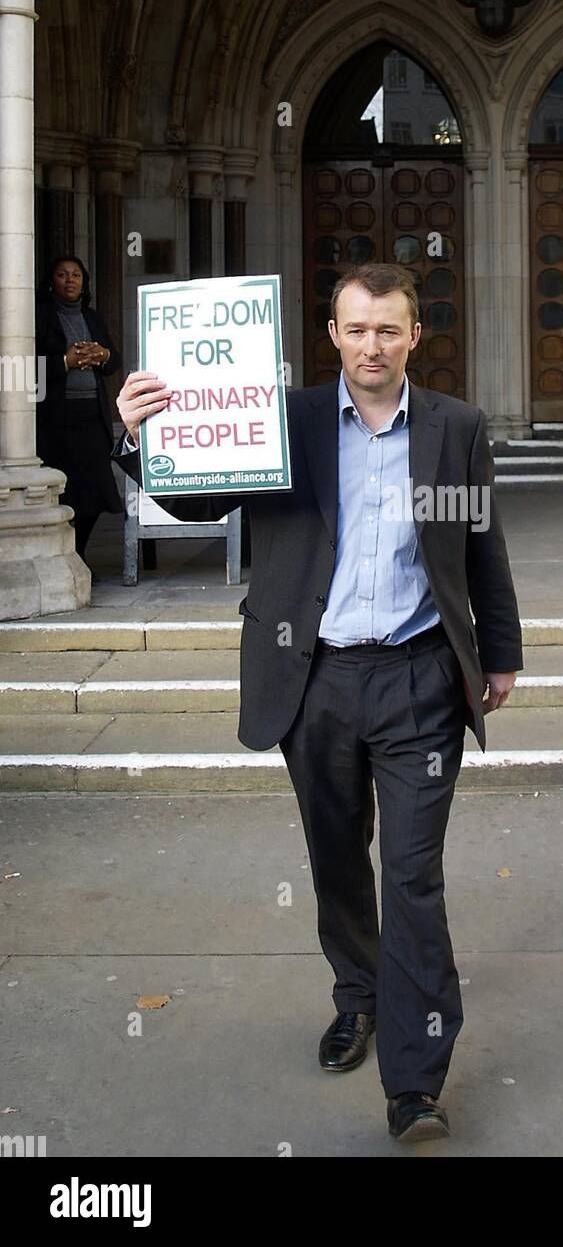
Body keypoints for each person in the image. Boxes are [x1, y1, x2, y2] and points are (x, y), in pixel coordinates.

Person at [112, 262, 523, 1143]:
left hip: (419, 679)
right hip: (315, 675)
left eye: (389, 329)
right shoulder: (286, 421)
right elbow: (195, 500)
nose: (371, 345)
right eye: (355, 328)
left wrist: (502, 653)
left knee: (413, 876)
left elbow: (479, 544)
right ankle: (359, 996)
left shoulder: (455, 427)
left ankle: (415, 1082)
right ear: (330, 334)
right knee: (339, 859)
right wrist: (139, 436)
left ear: (416, 335)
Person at [35, 256, 123, 566]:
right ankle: (67, 557)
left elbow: (114, 362)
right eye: (62, 275)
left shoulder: (93, 318)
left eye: (75, 275)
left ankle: (79, 553)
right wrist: (64, 362)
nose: (70, 280)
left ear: (84, 282)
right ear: (52, 281)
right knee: (66, 492)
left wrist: (103, 354)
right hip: (57, 418)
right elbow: (19, 370)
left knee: (98, 491)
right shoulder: (39, 316)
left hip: (92, 416)